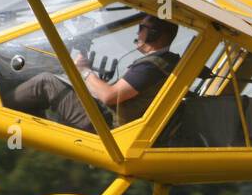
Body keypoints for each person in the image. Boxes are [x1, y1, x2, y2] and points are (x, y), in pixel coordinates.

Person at [10, 16, 181, 130]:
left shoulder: (150, 67)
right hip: (109, 121)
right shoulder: (164, 62)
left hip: (106, 128)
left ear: (154, 34)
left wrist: (85, 72)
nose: (137, 33)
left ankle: (1, 104)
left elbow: (109, 96)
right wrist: (89, 79)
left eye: (141, 27)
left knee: (46, 82)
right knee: (61, 81)